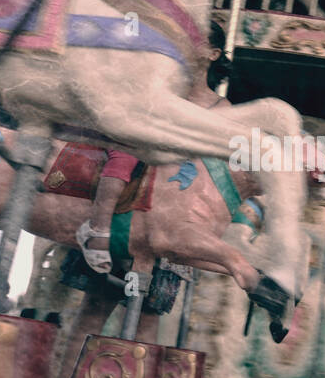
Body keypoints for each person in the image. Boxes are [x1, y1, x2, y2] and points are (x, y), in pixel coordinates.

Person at [76, 25, 233, 273]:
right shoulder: (161, 83)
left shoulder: (222, 108)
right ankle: (98, 228)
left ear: (213, 54)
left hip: (179, 190)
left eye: (196, 39)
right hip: (145, 153)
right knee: (125, 155)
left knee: (150, 310)